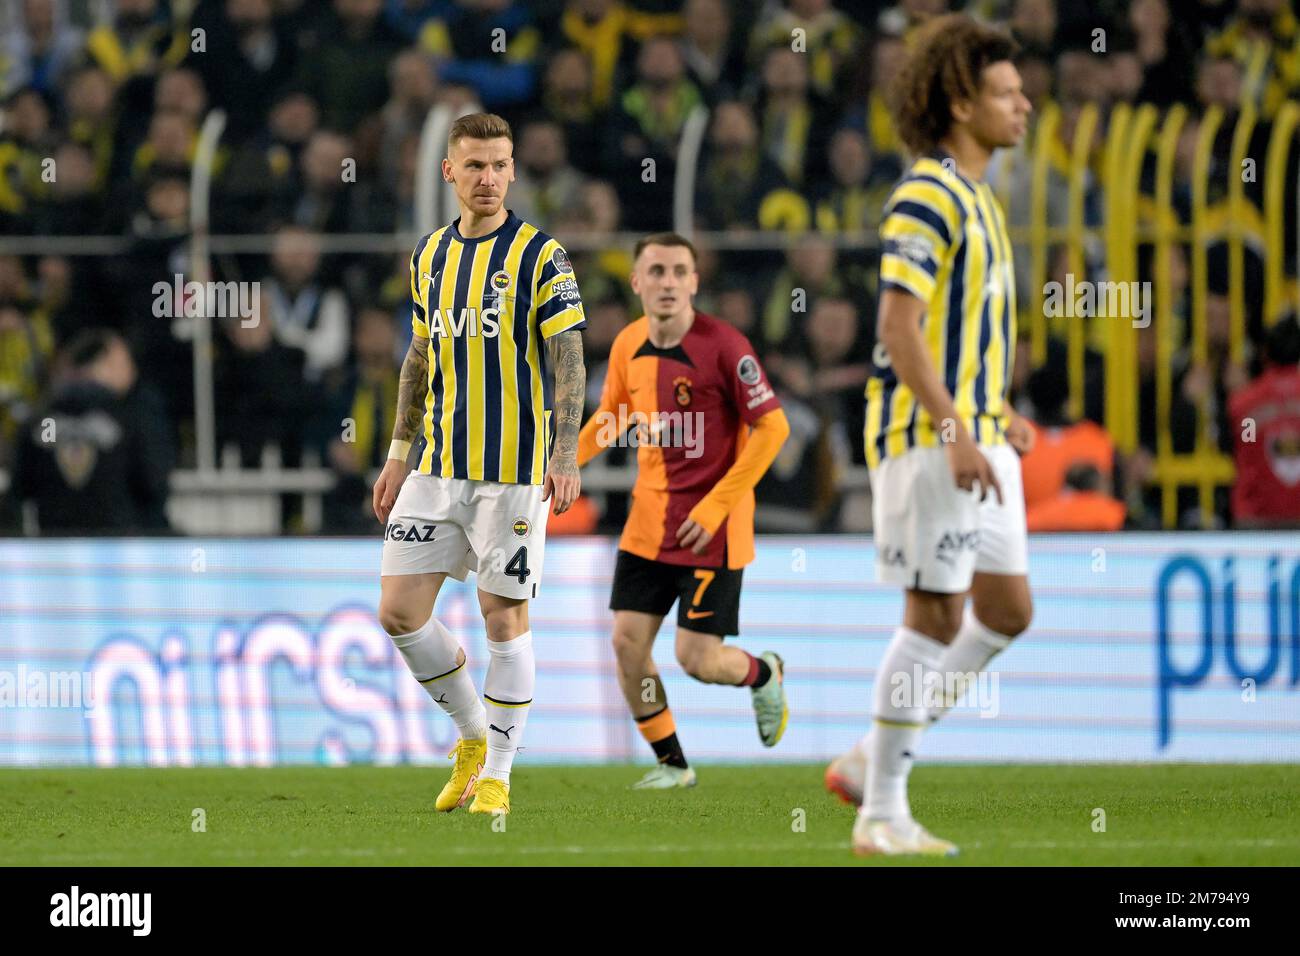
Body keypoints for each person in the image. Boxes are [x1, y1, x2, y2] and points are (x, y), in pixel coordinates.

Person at [824, 15, 1035, 857]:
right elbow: (899, 325)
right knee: (935, 615)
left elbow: (959, 329)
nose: (1024, 105)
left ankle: (873, 756)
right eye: (1006, 93)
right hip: (928, 434)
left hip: (978, 430)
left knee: (1007, 610)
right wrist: (953, 424)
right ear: (959, 101)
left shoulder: (979, 198)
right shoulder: (927, 192)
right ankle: (882, 811)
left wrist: (994, 410)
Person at [371, 112, 587, 816]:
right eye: (475, 166)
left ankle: (498, 771)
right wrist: (399, 452)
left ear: (514, 169)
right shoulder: (429, 256)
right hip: (436, 467)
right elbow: (421, 355)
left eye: (499, 165)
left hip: (513, 475)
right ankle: (469, 733)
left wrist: (563, 452)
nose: (488, 178)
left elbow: (569, 358)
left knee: (503, 619)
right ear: (450, 172)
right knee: (399, 613)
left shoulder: (540, 255)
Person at [576, 233, 791, 790]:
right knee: (627, 645)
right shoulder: (627, 344)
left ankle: (763, 672)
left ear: (694, 281)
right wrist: (564, 463)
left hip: (711, 532)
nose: (667, 282)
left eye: (678, 272)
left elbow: (774, 428)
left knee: (697, 659)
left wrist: (720, 504)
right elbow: (614, 414)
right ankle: (673, 765)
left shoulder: (725, 346)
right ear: (636, 281)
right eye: (657, 271)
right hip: (649, 524)